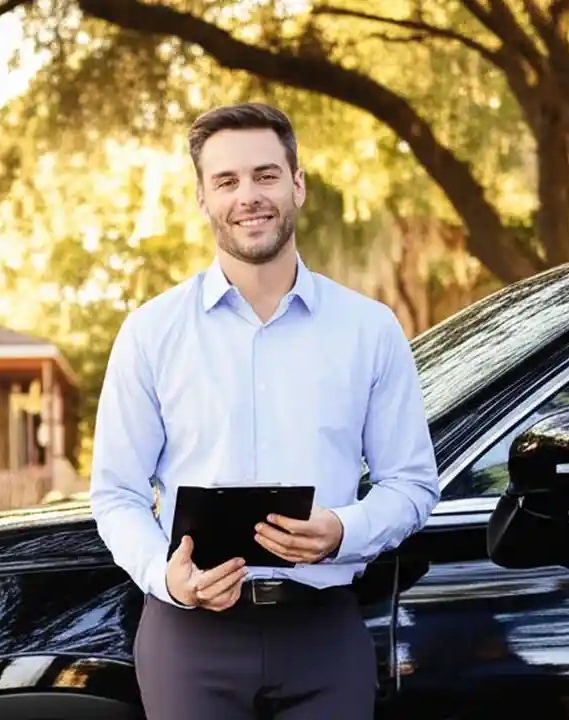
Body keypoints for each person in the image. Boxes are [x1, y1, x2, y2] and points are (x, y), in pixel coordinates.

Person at [89, 102, 440, 719]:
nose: (248, 196)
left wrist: (343, 532)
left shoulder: (369, 329)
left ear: (297, 184)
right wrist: (168, 577)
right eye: (226, 181)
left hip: (324, 636)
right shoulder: (151, 333)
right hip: (189, 639)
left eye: (266, 175)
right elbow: (115, 493)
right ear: (203, 199)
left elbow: (411, 485)